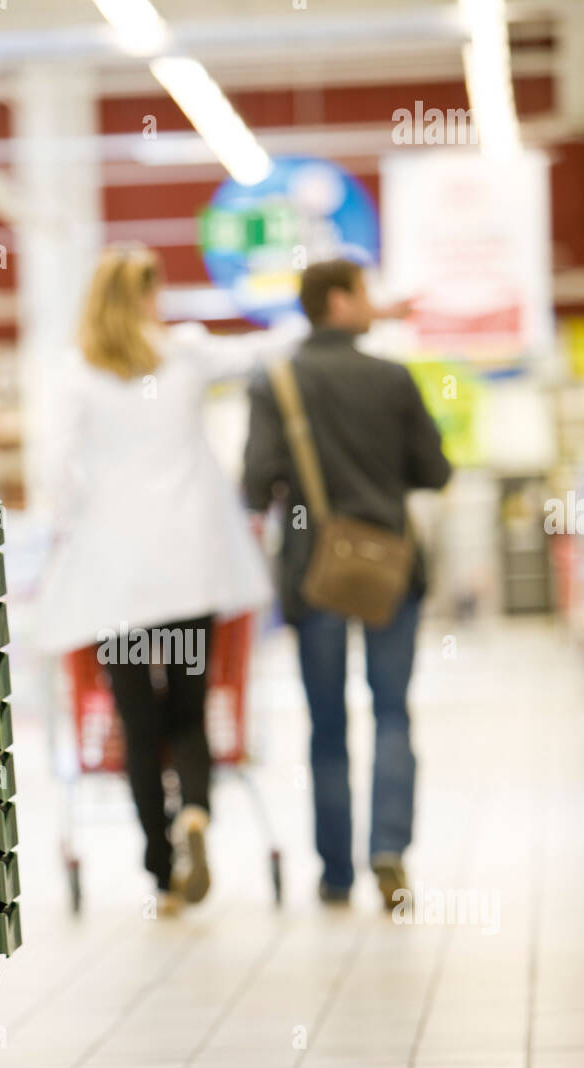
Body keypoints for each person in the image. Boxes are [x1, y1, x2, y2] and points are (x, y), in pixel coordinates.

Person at [35, 245, 298, 913]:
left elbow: (55, 473)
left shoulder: (76, 373)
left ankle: (159, 871)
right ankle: (198, 814)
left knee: (137, 721)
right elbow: (265, 352)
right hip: (189, 568)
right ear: (146, 298)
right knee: (189, 708)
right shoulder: (183, 353)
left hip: (117, 583)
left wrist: (77, 521)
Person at [243, 258, 452, 910]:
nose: (373, 303)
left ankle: (335, 873)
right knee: (392, 711)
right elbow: (436, 471)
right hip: (391, 568)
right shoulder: (393, 378)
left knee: (326, 724)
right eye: (365, 292)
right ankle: (388, 848)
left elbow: (254, 483)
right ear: (339, 301)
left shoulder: (275, 381)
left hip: (316, 572)